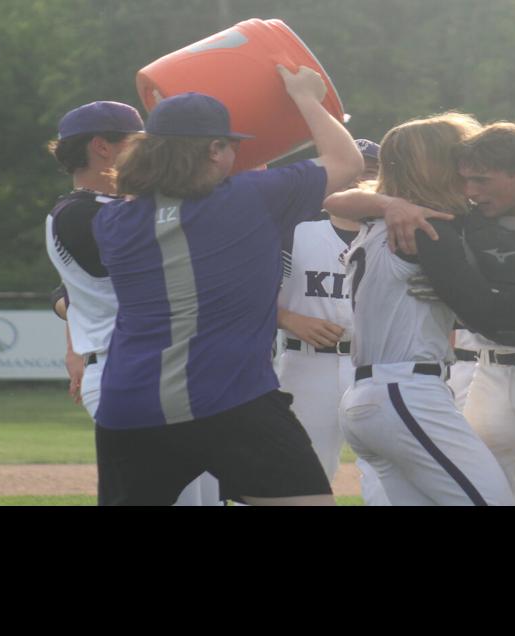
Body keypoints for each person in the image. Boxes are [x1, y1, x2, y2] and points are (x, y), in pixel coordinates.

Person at [90, 67, 366, 506]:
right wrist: (307, 98)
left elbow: (163, 205)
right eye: (230, 146)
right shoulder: (251, 197)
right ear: (215, 150)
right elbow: (348, 163)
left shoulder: (111, 222)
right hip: (234, 402)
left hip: (131, 407)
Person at [325, 113, 515, 505]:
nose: (466, 181)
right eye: (458, 167)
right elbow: (493, 314)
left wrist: (388, 201)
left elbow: (333, 198)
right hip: (406, 393)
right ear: (436, 166)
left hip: (368, 396)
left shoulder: (381, 218)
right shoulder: (428, 227)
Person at [44, 100, 221, 505]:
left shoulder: (128, 207)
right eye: (138, 141)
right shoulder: (77, 212)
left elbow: (66, 293)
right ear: (101, 147)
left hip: (167, 370)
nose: (149, 151)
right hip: (124, 370)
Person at [274, 137, 387, 504]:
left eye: (369, 172)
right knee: (303, 472)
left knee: (387, 472)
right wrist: (287, 317)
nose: (358, 180)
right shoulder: (293, 229)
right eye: (351, 171)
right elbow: (248, 296)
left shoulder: (394, 234)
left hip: (375, 365)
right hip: (306, 363)